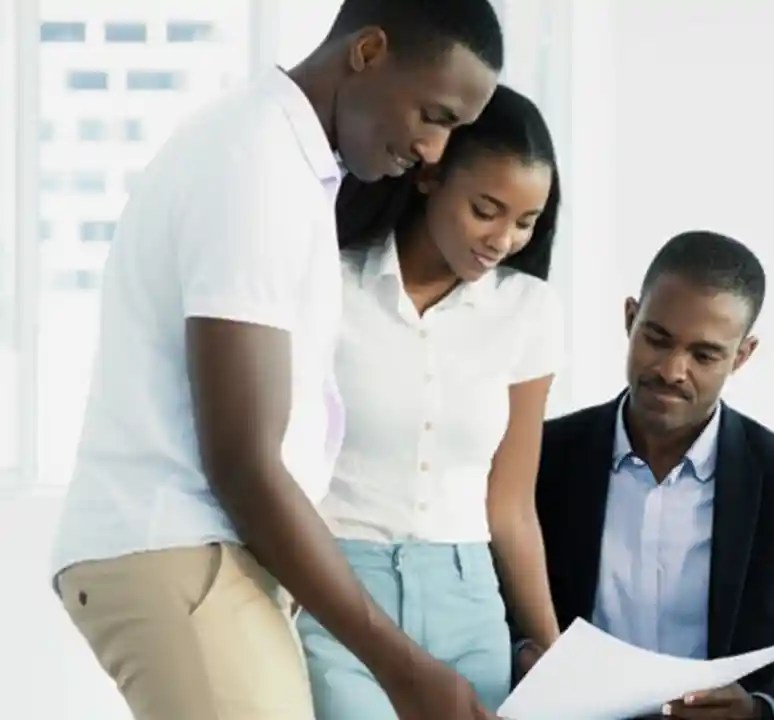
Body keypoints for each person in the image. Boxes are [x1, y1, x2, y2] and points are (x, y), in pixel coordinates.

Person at [49, 2, 504, 719]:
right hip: (181, 544)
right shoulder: (253, 161)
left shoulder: (281, 161)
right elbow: (243, 464)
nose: (434, 152)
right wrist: (402, 667)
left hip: (206, 552)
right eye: (434, 115)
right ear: (368, 51)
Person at [524, 231, 774, 719]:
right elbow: (492, 615)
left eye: (704, 355)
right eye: (656, 339)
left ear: (741, 356)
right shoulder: (542, 457)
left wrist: (759, 709)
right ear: (630, 319)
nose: (671, 370)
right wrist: (524, 654)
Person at [298, 83, 564, 717]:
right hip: (340, 591)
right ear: (430, 178)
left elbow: (512, 506)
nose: (503, 239)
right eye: (486, 209)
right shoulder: (327, 285)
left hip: (469, 600)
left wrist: (552, 650)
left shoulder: (530, 311)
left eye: (525, 222)